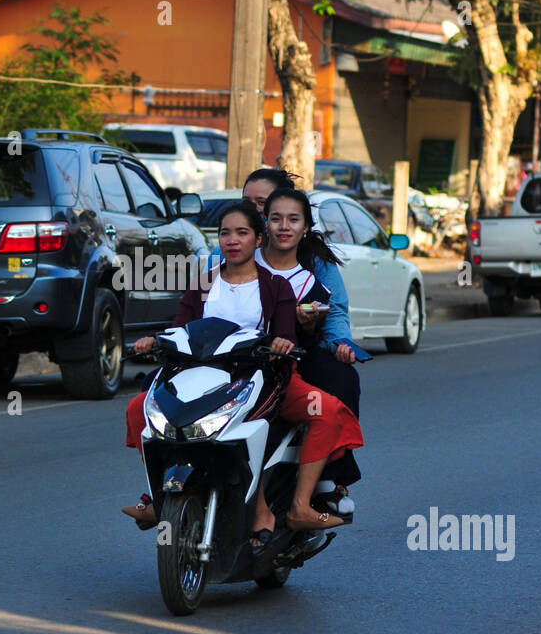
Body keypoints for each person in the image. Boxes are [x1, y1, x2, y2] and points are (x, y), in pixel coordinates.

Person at [122, 199, 363, 540]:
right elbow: (180, 328)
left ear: (257, 240)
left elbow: (286, 336)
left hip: (260, 379)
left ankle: (300, 506)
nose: (232, 240)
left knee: (325, 410)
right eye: (225, 233)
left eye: (241, 233)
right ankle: (158, 497)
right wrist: (154, 341)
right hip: (198, 378)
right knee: (138, 409)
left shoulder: (276, 286)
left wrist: (281, 343)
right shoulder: (203, 282)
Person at [257, 186, 362, 492]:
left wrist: (336, 342)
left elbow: (335, 313)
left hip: (291, 359)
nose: (284, 226)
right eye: (276, 218)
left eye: (293, 219)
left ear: (306, 226)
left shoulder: (311, 272)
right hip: (236, 357)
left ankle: (329, 476)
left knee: (336, 386)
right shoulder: (230, 263)